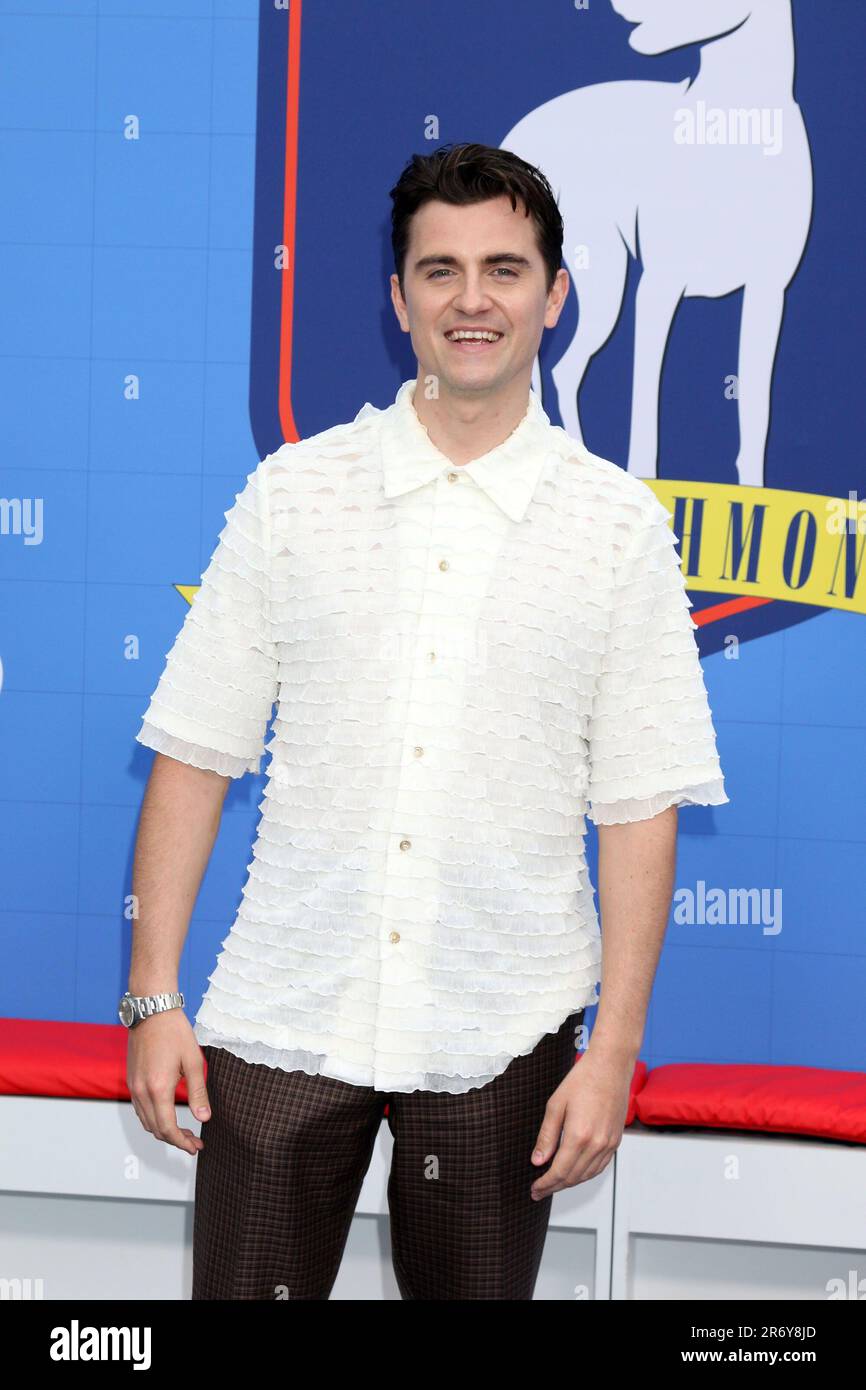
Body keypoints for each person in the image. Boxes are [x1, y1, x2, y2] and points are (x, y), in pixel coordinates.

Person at [124, 142, 728, 1301]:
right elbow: (195, 754)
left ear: (554, 295)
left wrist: (612, 1054)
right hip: (284, 1015)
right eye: (438, 269)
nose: (471, 299)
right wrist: (154, 1000)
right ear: (397, 296)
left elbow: (639, 805)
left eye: (503, 269)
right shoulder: (293, 493)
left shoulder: (614, 528)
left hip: (501, 1030)